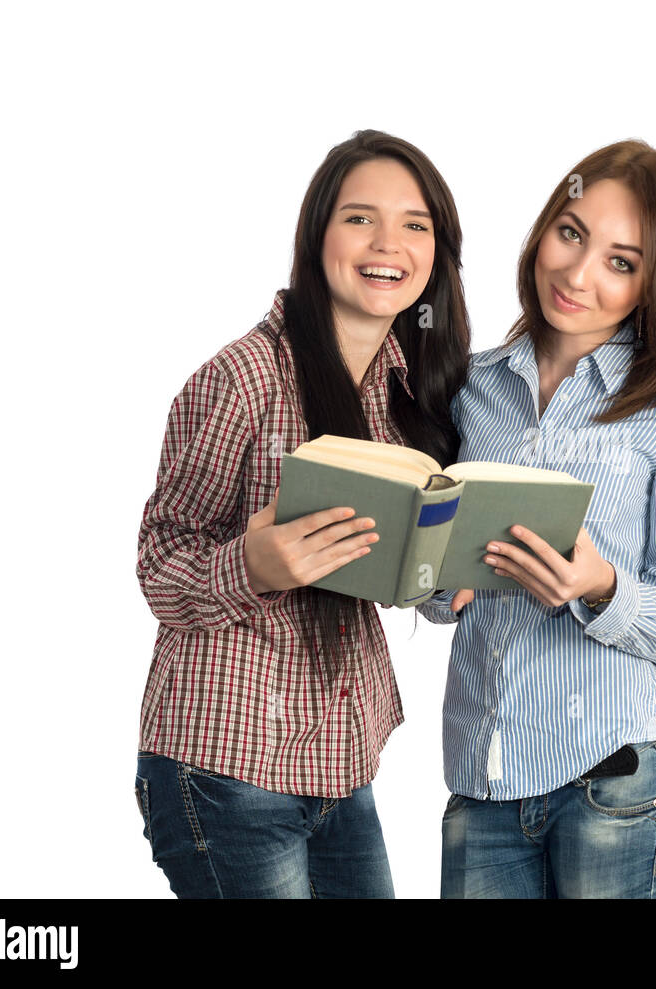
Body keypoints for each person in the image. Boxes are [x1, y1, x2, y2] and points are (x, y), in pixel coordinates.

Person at [134, 130, 470, 898]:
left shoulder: (402, 394)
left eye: (415, 224)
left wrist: (446, 582)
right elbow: (159, 565)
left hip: (338, 763)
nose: (389, 244)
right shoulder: (243, 378)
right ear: (316, 234)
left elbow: (385, 568)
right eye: (361, 218)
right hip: (228, 766)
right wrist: (253, 564)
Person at [420, 140, 656, 898]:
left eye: (622, 262)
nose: (579, 273)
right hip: (482, 780)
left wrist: (599, 584)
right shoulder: (472, 387)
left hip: (615, 779)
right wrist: (439, 581)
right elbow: (437, 588)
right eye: (571, 232)